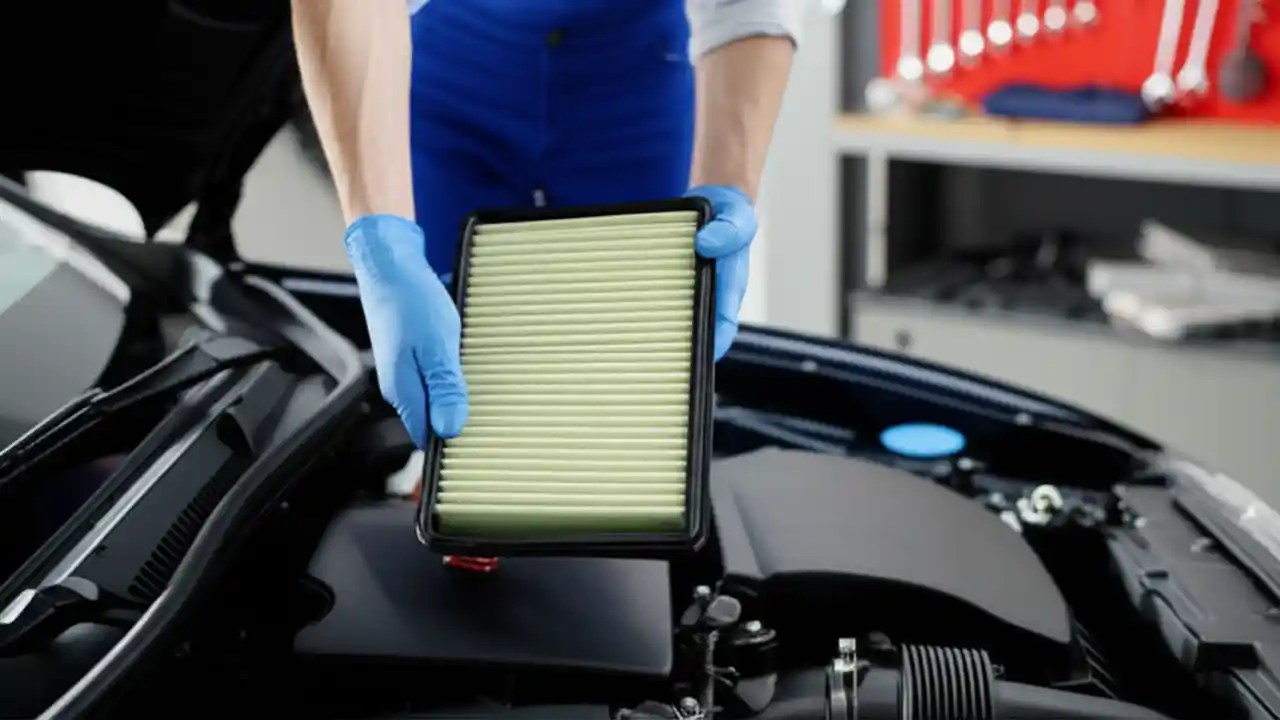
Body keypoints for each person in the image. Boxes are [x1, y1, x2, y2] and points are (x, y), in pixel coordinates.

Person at [291, 0, 798, 447]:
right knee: (462, 372)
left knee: (633, 389)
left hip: (634, 74)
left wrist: (727, 185)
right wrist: (384, 242)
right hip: (457, 66)